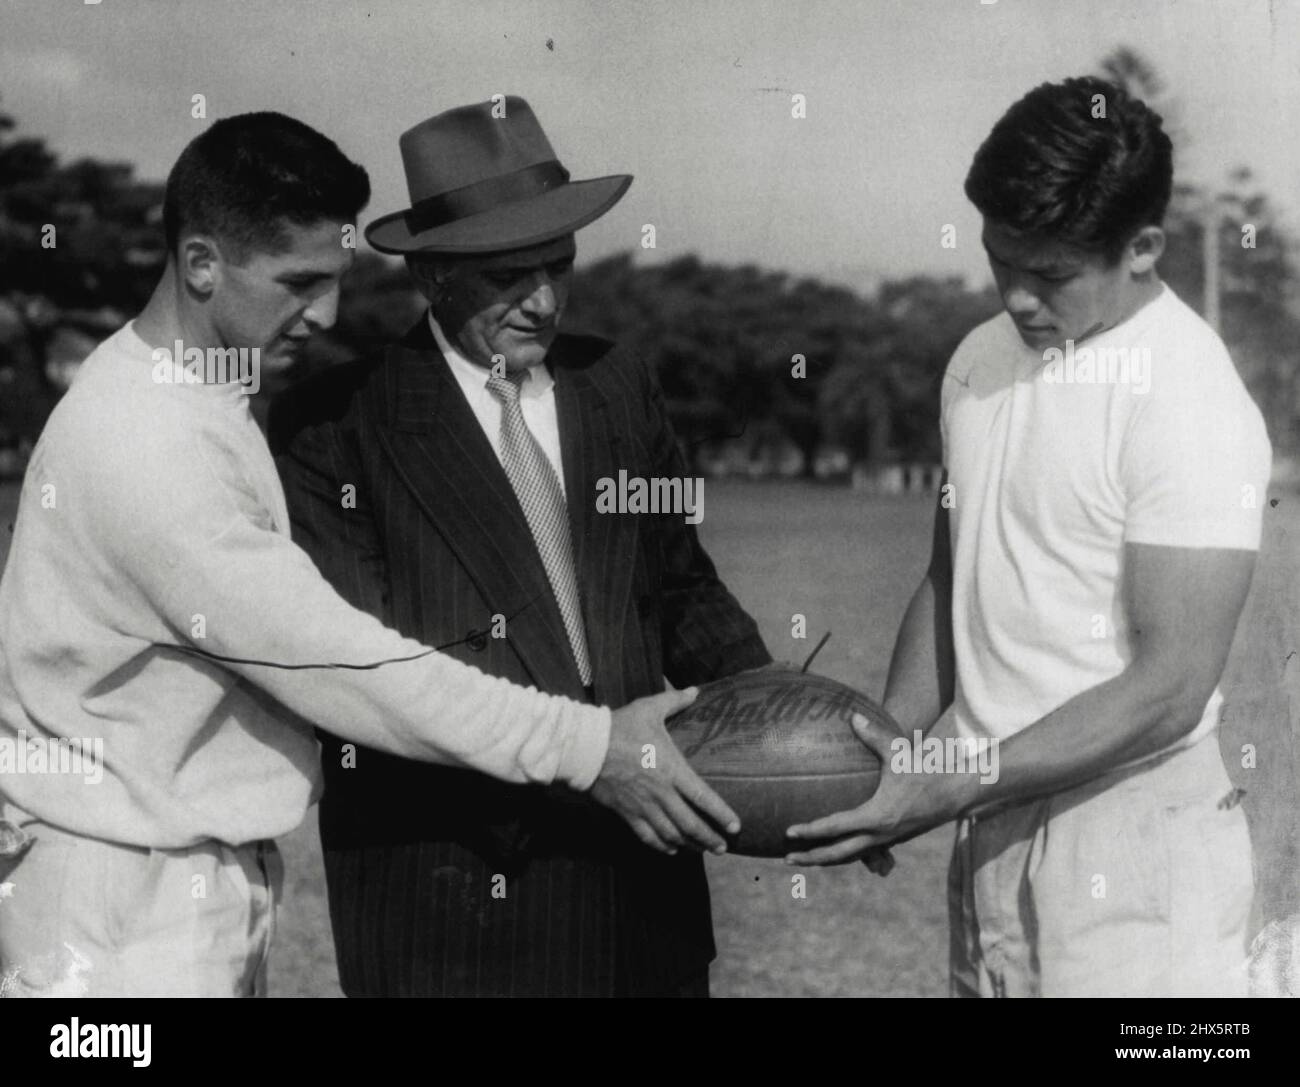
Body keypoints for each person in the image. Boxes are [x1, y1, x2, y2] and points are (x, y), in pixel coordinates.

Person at [0, 111, 737, 998]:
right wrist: (591, 744)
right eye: (299, 282)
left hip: (179, 882)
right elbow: (348, 662)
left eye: (336, 278)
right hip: (123, 906)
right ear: (201, 264)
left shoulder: (199, 396)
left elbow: (683, 585)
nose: (327, 313)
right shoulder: (146, 446)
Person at [269, 97, 771, 997]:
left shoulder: (614, 382)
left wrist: (793, 736)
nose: (543, 300)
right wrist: (594, 759)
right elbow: (373, 681)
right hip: (452, 917)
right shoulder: (333, 426)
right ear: (430, 275)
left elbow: (683, 587)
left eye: (558, 264)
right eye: (507, 275)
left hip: (644, 909)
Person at [786, 77, 1270, 997]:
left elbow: (1171, 687)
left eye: (1048, 274)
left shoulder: (1190, 397)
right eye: (998, 260)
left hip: (1134, 836)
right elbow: (949, 573)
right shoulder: (977, 361)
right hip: (991, 815)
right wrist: (894, 754)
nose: (1016, 297)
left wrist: (956, 781)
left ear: (1142, 249)